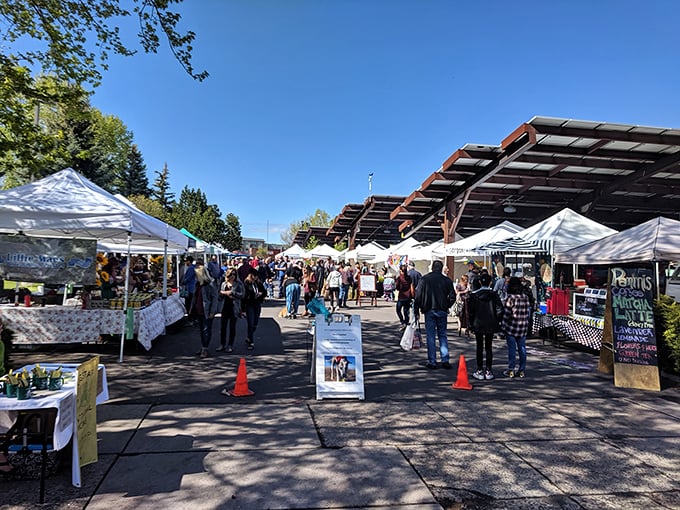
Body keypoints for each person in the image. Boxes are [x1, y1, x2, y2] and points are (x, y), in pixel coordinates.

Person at [415, 260, 456, 370]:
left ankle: (432, 361)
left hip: (429, 309)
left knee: (431, 336)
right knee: (442, 335)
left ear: (432, 267)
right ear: (442, 268)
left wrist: (416, 309)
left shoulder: (424, 279)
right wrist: (447, 305)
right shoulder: (447, 280)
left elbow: (418, 295)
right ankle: (445, 359)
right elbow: (453, 296)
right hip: (442, 309)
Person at [468, 273, 504, 380]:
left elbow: (470, 312)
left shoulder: (474, 295)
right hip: (491, 323)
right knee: (489, 347)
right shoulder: (494, 295)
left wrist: (471, 323)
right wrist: (497, 320)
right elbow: (500, 310)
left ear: (479, 282)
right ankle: (489, 370)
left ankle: (479, 370)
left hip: (478, 323)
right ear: (490, 282)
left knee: (479, 347)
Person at [501, 277, 532, 378]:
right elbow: (528, 313)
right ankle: (522, 370)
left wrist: (503, 326)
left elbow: (506, 314)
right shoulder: (525, 297)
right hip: (522, 327)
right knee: (522, 348)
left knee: (512, 349)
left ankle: (511, 370)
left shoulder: (510, 298)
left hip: (511, 327)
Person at [191, 259, 220, 358]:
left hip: (206, 311)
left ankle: (205, 348)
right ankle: (203, 346)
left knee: (206, 330)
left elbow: (215, 298)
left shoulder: (210, 284)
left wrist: (213, 311)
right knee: (202, 330)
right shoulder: (198, 284)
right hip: (199, 310)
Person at [217, 268, 244, 353]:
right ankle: (222, 344)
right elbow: (219, 296)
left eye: (234, 274)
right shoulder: (223, 283)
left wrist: (233, 293)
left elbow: (242, 295)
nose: (233, 276)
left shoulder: (239, 284)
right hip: (224, 307)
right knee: (223, 327)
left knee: (232, 327)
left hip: (234, 307)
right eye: (231, 274)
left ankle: (230, 345)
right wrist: (222, 293)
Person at [242, 268, 266, 349]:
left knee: (255, 323)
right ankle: (251, 342)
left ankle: (249, 336)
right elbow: (245, 296)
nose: (256, 278)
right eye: (254, 276)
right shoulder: (246, 283)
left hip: (257, 304)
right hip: (249, 305)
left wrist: (261, 294)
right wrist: (243, 310)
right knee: (250, 323)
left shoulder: (258, 283)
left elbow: (264, 291)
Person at [395, 264, 413, 329]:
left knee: (398, 310)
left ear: (400, 270)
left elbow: (397, 287)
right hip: (408, 296)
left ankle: (402, 322)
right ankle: (406, 322)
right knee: (406, 310)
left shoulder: (399, 278)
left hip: (401, 296)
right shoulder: (409, 278)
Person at [181, 256, 197, 325]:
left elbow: (188, 278)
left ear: (189, 261)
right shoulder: (193, 267)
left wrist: (183, 281)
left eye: (186, 261)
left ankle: (191, 319)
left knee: (190, 304)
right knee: (191, 304)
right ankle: (193, 318)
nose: (185, 263)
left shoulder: (190, 268)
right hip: (192, 288)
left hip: (190, 288)